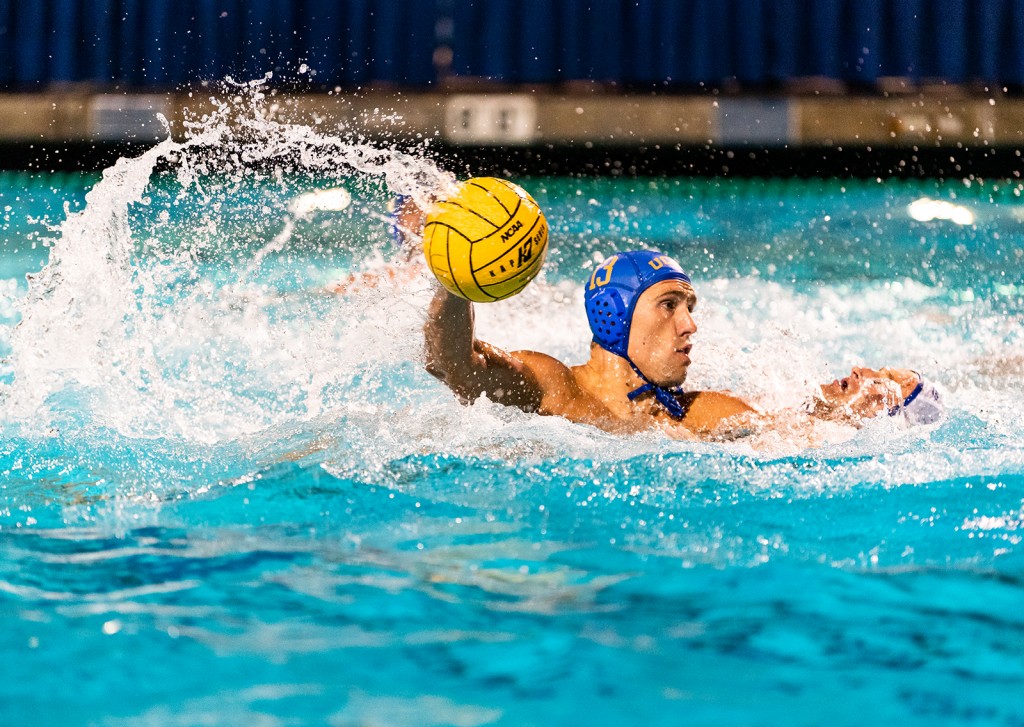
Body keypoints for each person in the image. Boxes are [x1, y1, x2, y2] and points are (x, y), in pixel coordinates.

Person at [424, 249, 944, 441]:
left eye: (690, 307)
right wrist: (453, 283)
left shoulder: (695, 415)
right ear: (615, 316)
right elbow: (452, 363)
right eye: (669, 304)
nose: (689, 325)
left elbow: (797, 433)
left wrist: (876, 406)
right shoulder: (553, 387)